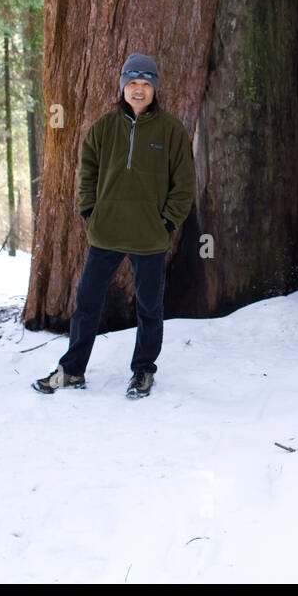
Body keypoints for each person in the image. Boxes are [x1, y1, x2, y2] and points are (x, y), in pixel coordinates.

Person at [33, 52, 196, 398]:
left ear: (154, 88)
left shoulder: (171, 131)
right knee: (87, 305)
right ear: (123, 87)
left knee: (149, 308)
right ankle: (73, 370)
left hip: (150, 236)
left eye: (145, 83)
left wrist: (167, 221)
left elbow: (184, 183)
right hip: (105, 233)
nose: (139, 90)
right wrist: (90, 212)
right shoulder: (103, 128)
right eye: (132, 83)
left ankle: (142, 372)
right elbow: (87, 173)